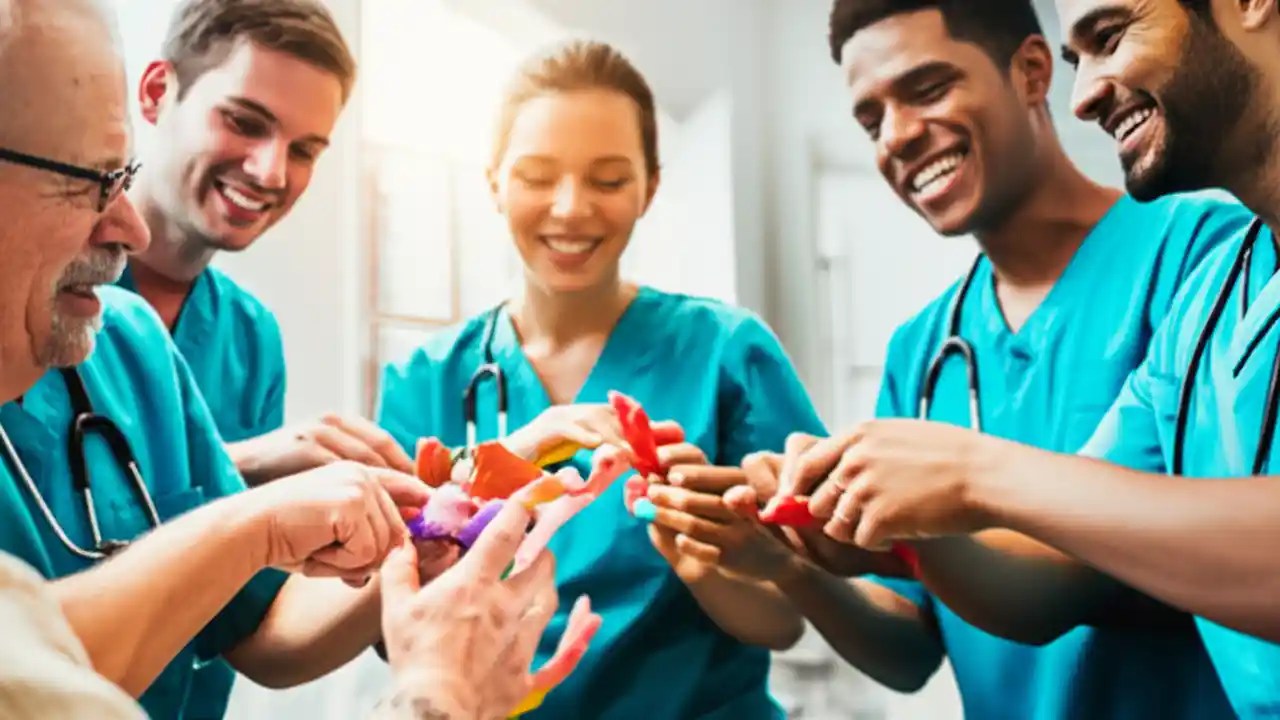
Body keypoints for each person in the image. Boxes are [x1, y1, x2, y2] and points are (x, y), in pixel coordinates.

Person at [650, 1, 1250, 718]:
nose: (898, 136)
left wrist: (964, 483)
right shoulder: (924, 349)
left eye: (928, 90)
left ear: (1031, 72)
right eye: (871, 121)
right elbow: (909, 652)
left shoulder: (1203, 253)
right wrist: (796, 563)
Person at [378, 39, 822, 719]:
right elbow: (392, 625)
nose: (569, 209)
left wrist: (700, 551)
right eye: (536, 176)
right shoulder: (426, 379)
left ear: (651, 186)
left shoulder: (727, 353)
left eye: (609, 180)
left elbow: (787, 619)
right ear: (493, 180)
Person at [122, 0, 411, 489]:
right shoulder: (42, 281)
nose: (271, 172)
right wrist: (242, 462)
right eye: (244, 123)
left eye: (303, 151)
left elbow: (246, 556)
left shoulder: (250, 336)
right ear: (156, 94)